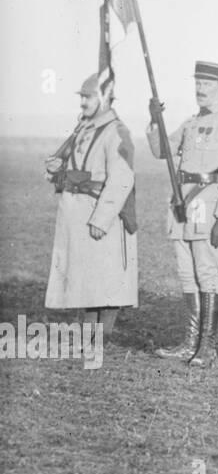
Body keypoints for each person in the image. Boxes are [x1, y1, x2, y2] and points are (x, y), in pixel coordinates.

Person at [147, 60, 218, 366]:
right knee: (187, 275)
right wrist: (154, 120)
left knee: (207, 273)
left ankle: (207, 347)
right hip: (182, 206)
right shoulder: (188, 123)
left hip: (208, 207)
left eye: (207, 84)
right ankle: (190, 343)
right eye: (197, 83)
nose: (201, 90)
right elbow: (162, 150)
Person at [43, 74, 138, 336]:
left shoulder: (117, 132)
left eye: (88, 97)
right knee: (86, 279)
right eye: (82, 97)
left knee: (106, 281)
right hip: (77, 214)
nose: (82, 102)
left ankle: (99, 339)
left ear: (104, 99)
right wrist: (57, 170)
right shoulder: (84, 128)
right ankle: (88, 338)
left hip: (99, 215)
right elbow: (77, 166)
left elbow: (121, 179)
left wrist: (101, 219)